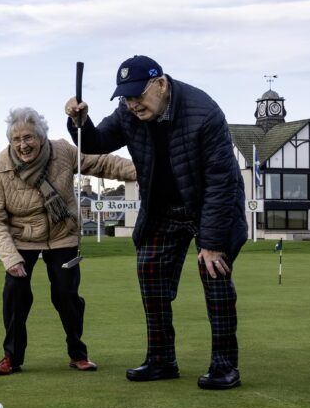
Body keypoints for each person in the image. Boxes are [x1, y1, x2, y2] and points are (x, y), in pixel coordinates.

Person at [66, 56, 248, 389]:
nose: (133, 104)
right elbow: (95, 144)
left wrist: (211, 243)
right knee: (150, 277)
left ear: (160, 84)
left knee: (215, 277)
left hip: (209, 206)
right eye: (126, 96)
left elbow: (221, 182)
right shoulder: (127, 113)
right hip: (162, 209)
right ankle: (162, 359)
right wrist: (80, 121)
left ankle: (224, 366)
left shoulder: (204, 113)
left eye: (138, 95)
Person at [0, 107, 137, 376]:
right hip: (21, 237)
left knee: (66, 296)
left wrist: (143, 169)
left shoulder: (63, 151)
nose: (23, 145)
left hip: (61, 234)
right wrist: (11, 258)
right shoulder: (0, 167)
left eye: (29, 137)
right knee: (14, 295)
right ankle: (11, 357)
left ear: (42, 137)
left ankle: (78, 353)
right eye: (17, 140)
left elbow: (102, 163)